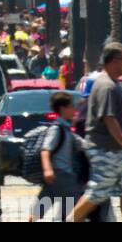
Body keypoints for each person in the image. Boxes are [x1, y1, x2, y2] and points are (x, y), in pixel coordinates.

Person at [70, 43, 122, 222]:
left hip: (117, 151)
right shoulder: (106, 85)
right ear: (114, 61)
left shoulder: (112, 83)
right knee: (97, 193)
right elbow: (108, 118)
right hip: (105, 149)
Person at [34, 92, 86, 221]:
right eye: (71, 106)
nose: (74, 109)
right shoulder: (57, 129)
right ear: (63, 109)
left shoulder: (66, 128)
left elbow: (83, 144)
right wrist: (48, 170)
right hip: (62, 175)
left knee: (39, 210)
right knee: (73, 212)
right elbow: (45, 150)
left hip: (56, 177)